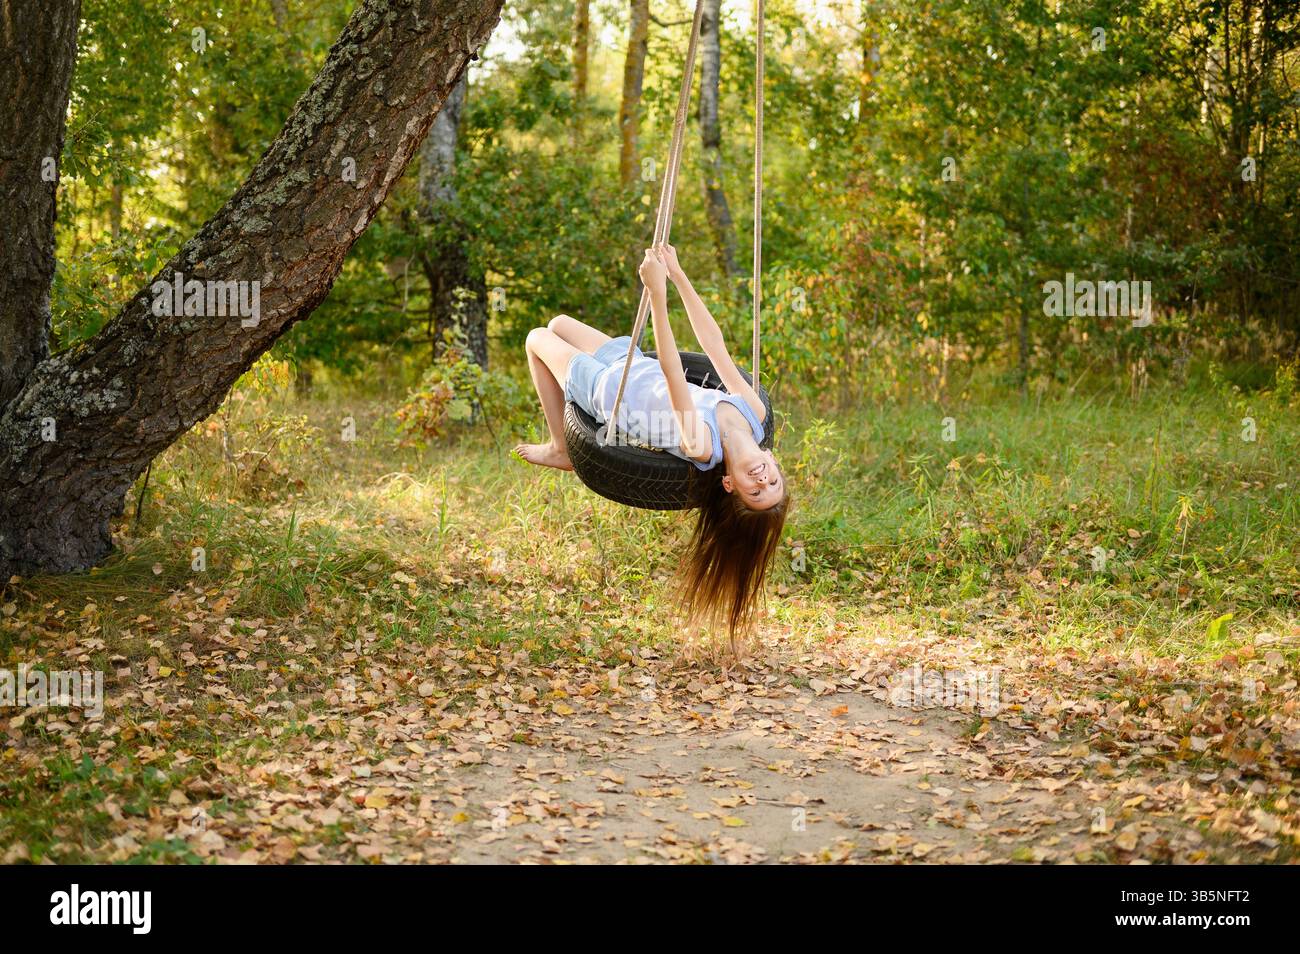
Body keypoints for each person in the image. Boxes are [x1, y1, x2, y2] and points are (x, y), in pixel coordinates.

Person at [516, 244, 789, 648]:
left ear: (730, 484)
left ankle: (560, 447)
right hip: (633, 365)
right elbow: (715, 347)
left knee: (536, 338)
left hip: (610, 392)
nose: (762, 481)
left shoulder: (702, 447)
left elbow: (675, 374)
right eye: (773, 484)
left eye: (755, 493)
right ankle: (560, 442)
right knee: (558, 323)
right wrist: (678, 275)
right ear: (772, 460)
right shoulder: (753, 412)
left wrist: (658, 296)